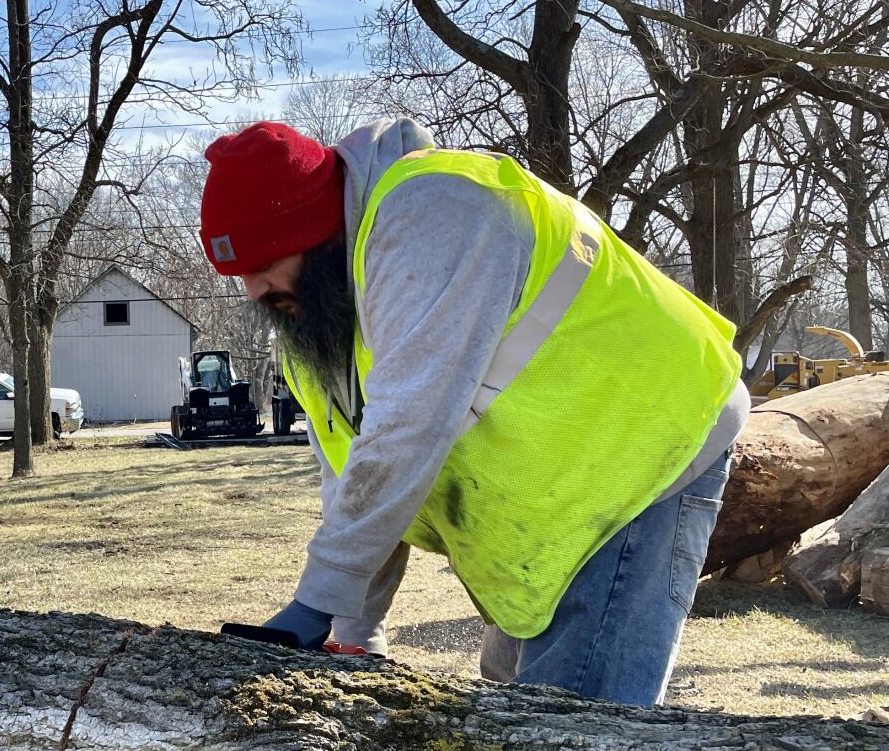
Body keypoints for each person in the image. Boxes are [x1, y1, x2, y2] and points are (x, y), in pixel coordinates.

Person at [200, 119, 749, 706]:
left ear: (318, 231)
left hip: (645, 447)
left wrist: (316, 600)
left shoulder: (434, 211)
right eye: (240, 275)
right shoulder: (321, 324)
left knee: (576, 740)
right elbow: (353, 470)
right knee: (513, 707)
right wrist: (353, 633)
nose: (255, 290)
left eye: (266, 262)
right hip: (563, 488)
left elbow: (407, 428)